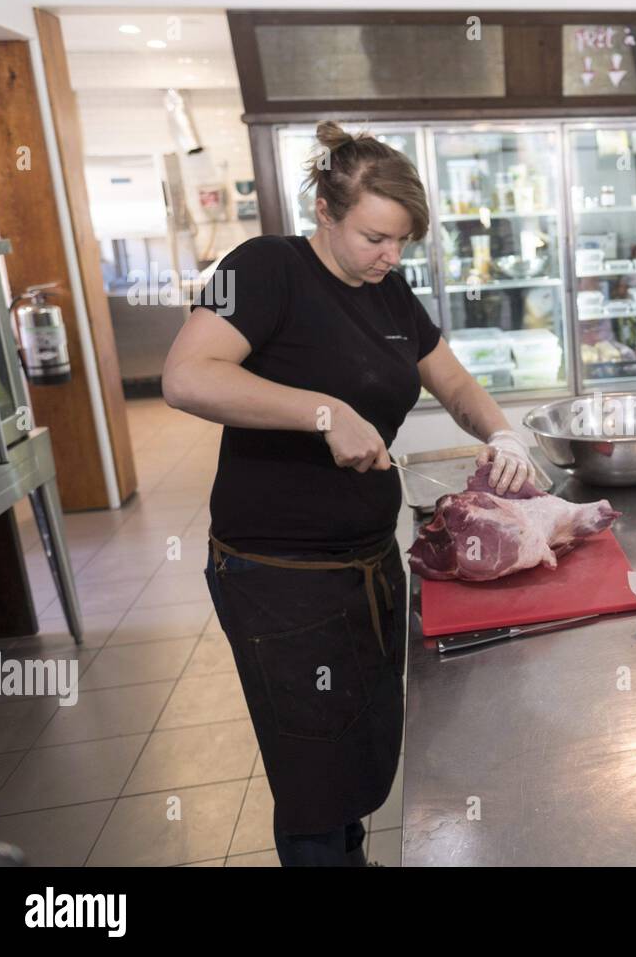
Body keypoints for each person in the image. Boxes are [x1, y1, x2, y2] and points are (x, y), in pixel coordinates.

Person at [162, 121, 533, 865]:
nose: (390, 257)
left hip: (366, 563)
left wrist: (504, 433)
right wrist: (322, 412)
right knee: (313, 777)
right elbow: (187, 374)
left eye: (403, 242)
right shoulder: (267, 266)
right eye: (374, 238)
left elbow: (452, 379)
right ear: (325, 213)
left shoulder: (388, 292)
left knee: (359, 749)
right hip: (279, 577)